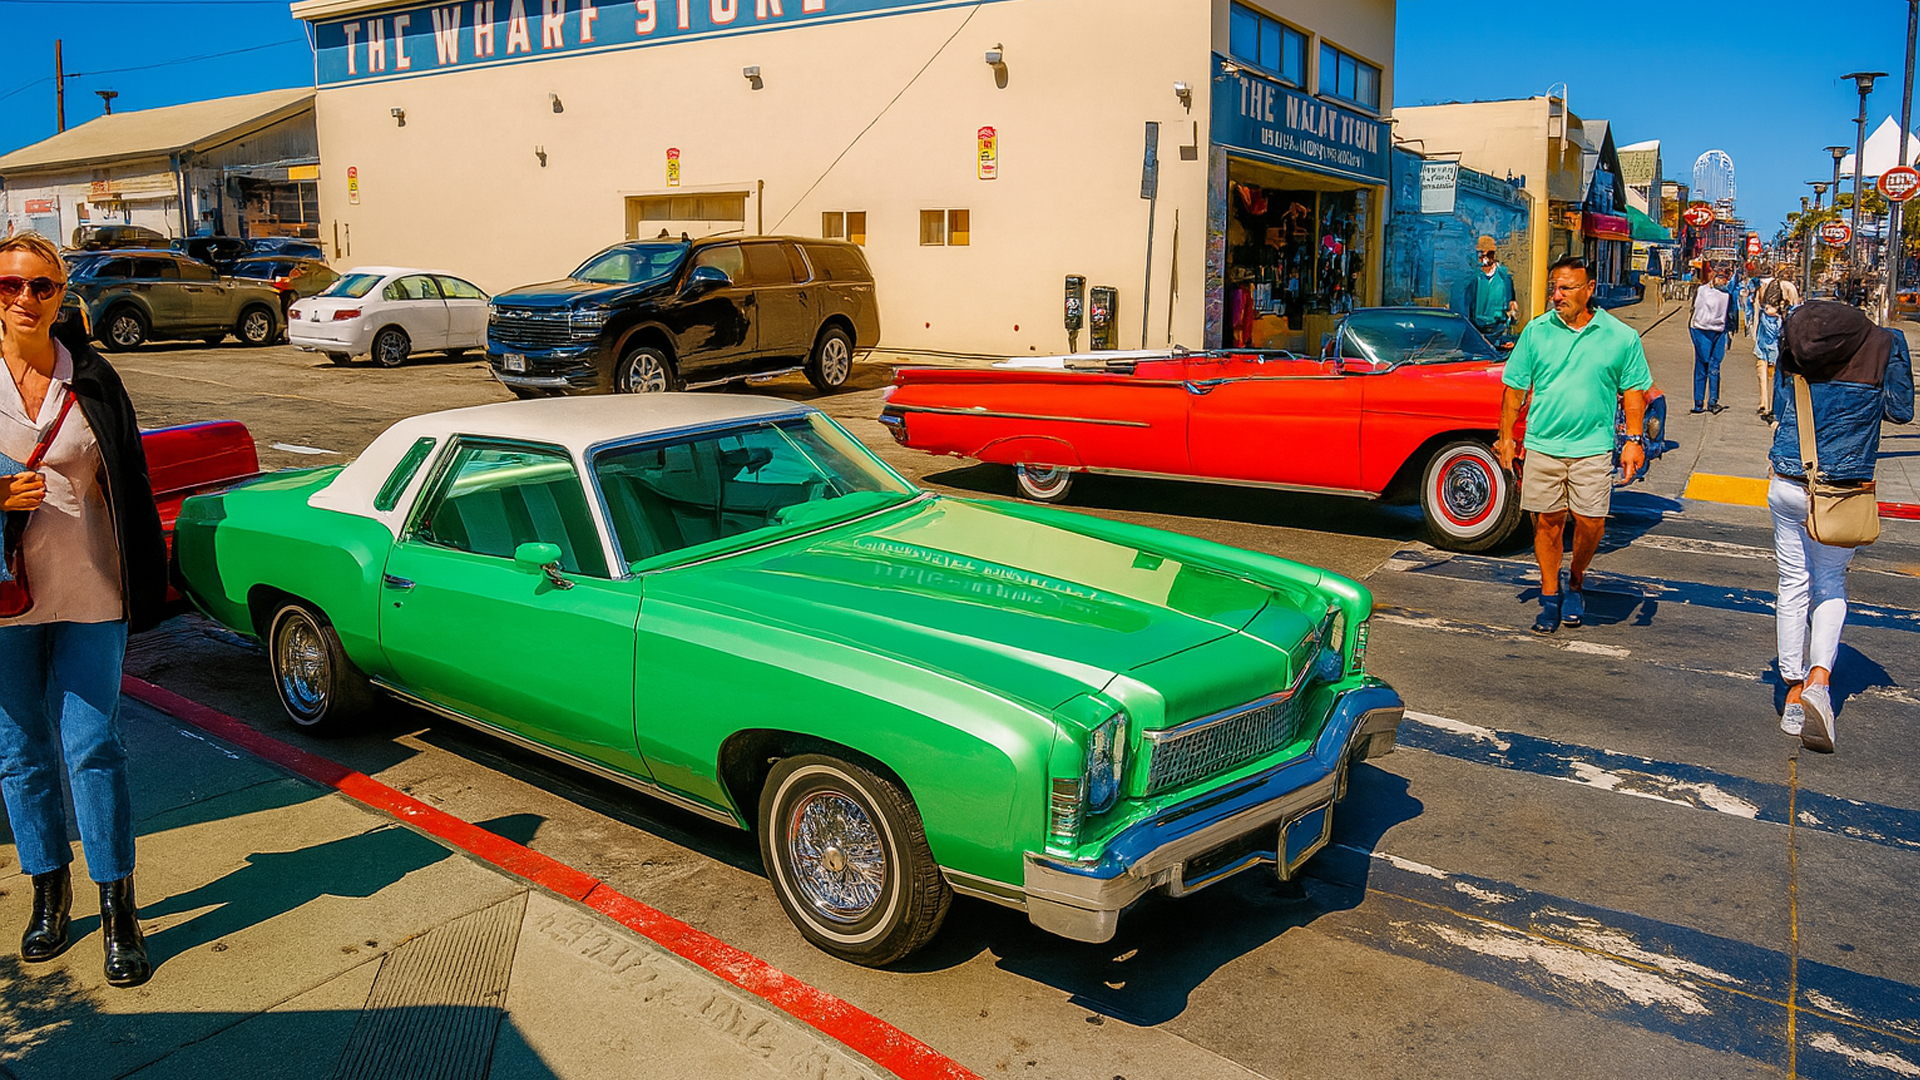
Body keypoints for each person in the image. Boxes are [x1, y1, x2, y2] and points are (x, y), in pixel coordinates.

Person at [0, 231, 167, 986]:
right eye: (10, 285)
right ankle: (48, 891)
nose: (25, 299)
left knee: (94, 746)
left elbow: (131, 477)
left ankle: (117, 909)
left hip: (93, 589)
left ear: (61, 294)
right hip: (6, 599)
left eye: (40, 286)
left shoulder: (92, 376)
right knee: (19, 753)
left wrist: (151, 579)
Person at [1768, 301, 1913, 753]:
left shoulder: (1795, 341)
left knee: (1792, 582)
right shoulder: (1882, 343)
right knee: (1829, 582)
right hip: (1842, 490)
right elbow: (1901, 410)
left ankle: (1793, 691)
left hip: (1789, 480)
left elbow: (1780, 406)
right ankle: (1818, 682)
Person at [1495, 256, 1652, 635]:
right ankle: (1550, 595)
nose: (1557, 295)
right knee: (1547, 523)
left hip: (1593, 448)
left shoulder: (1620, 336)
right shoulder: (1537, 332)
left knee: (1591, 521)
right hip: (1543, 445)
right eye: (1554, 287)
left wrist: (1633, 441)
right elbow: (1514, 390)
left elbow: (1634, 392)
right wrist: (1506, 437)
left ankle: (1577, 578)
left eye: (1566, 288)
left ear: (1589, 289)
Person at [1750, 263, 1801, 422]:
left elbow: (1756, 309)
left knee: (1764, 365)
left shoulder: (1762, 286)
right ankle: (1775, 405)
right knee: (1778, 370)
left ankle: (1764, 402)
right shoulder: (1788, 288)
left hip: (1766, 329)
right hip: (1779, 329)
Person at [1688, 265, 1738, 413]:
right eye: (1719, 277)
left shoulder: (1729, 293)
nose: (1721, 281)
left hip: (1719, 331)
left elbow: (1732, 312)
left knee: (1715, 366)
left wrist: (1730, 330)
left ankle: (1713, 401)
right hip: (1701, 330)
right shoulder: (1703, 290)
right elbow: (1696, 308)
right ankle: (1698, 403)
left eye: (1724, 278)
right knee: (1702, 365)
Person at [1463, 236, 1520, 346]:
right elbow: (1468, 307)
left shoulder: (1504, 277)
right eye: (1481, 255)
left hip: (1499, 332)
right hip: (1477, 332)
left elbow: (1511, 304)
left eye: (1489, 254)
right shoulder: (1474, 278)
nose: (1485, 259)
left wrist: (1512, 312)